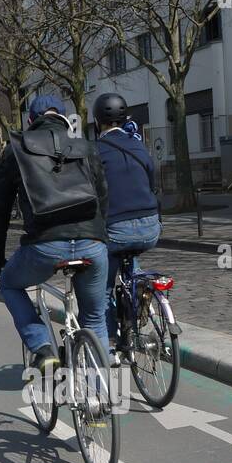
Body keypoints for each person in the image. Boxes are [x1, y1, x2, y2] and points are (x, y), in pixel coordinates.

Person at [0, 92, 109, 373]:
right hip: (92, 243)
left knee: (10, 284)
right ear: (65, 118)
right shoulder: (87, 146)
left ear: (31, 120)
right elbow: (103, 198)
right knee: (95, 318)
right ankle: (102, 399)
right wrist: (101, 240)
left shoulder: (17, 148)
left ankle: (42, 347)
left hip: (44, 246)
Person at [92, 93, 162, 352]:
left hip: (116, 229)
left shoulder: (95, 151)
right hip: (150, 227)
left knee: (102, 288)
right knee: (130, 265)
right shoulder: (138, 145)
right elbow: (151, 183)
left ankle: (109, 342)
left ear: (97, 122)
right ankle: (136, 301)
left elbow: (92, 195)